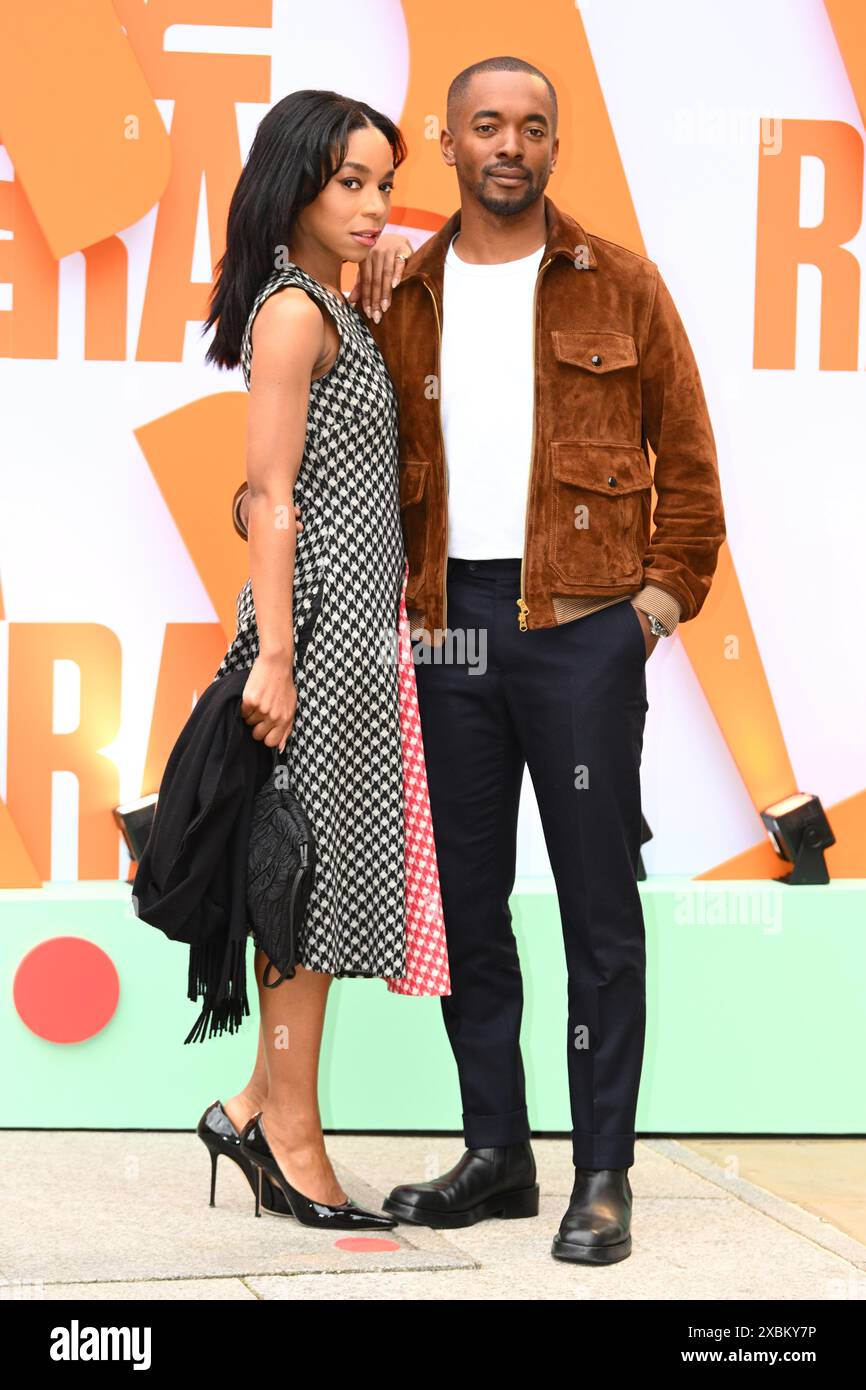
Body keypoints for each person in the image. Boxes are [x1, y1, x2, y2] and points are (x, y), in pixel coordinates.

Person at [234, 57, 726, 1262]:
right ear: (448, 145)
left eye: (533, 126)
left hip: (578, 631)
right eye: (486, 125)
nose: (510, 143)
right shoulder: (398, 291)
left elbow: (692, 465)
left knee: (598, 905)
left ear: (555, 145)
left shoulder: (619, 281)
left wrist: (648, 611)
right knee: (460, 901)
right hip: (441, 627)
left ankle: (599, 1172)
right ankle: (495, 1150)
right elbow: (309, 469)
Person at [199, 88, 447, 1230]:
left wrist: (390, 242)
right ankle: (285, 1131)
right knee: (301, 894)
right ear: (294, 181)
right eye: (346, 181)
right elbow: (271, 497)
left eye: (381, 182)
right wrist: (280, 656)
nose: (371, 203)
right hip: (316, 642)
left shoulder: (333, 302)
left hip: (357, 639)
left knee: (322, 890)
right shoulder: (292, 315)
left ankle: (258, 1104)